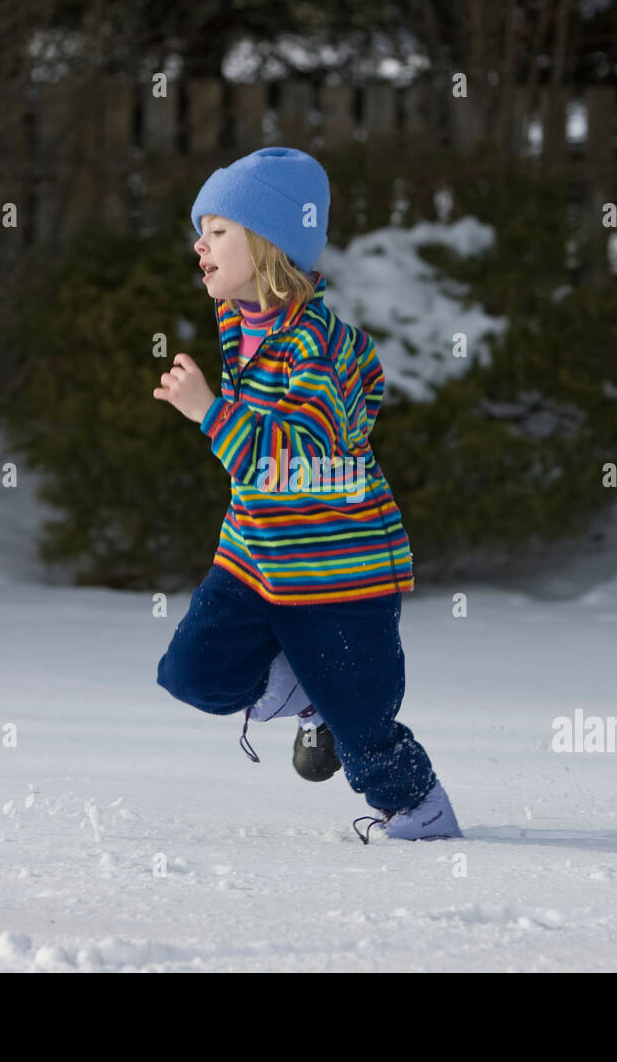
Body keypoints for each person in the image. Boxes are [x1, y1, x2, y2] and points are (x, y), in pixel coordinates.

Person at [152, 146, 461, 843]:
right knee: (192, 672)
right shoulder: (239, 328)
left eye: (218, 231)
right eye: (200, 232)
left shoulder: (313, 349)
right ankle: (297, 691)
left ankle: (423, 813)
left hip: (336, 571)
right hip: (255, 555)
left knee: (363, 721)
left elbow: (297, 465)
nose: (199, 245)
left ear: (266, 244)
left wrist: (209, 412)